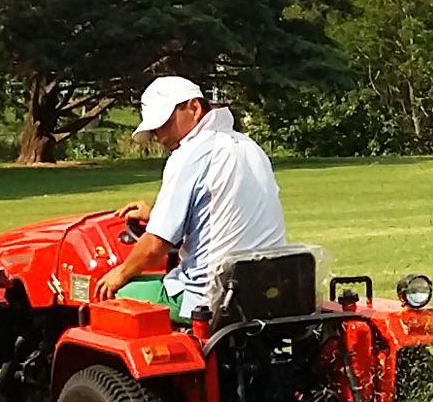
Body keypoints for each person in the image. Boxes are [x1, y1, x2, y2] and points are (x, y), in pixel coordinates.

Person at [93, 75, 288, 316]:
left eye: (163, 123)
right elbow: (223, 213)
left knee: (107, 293)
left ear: (194, 108)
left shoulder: (190, 154)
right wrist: (156, 215)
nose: (159, 135)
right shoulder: (249, 147)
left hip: (208, 297)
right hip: (264, 290)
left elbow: (154, 246)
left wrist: (119, 273)